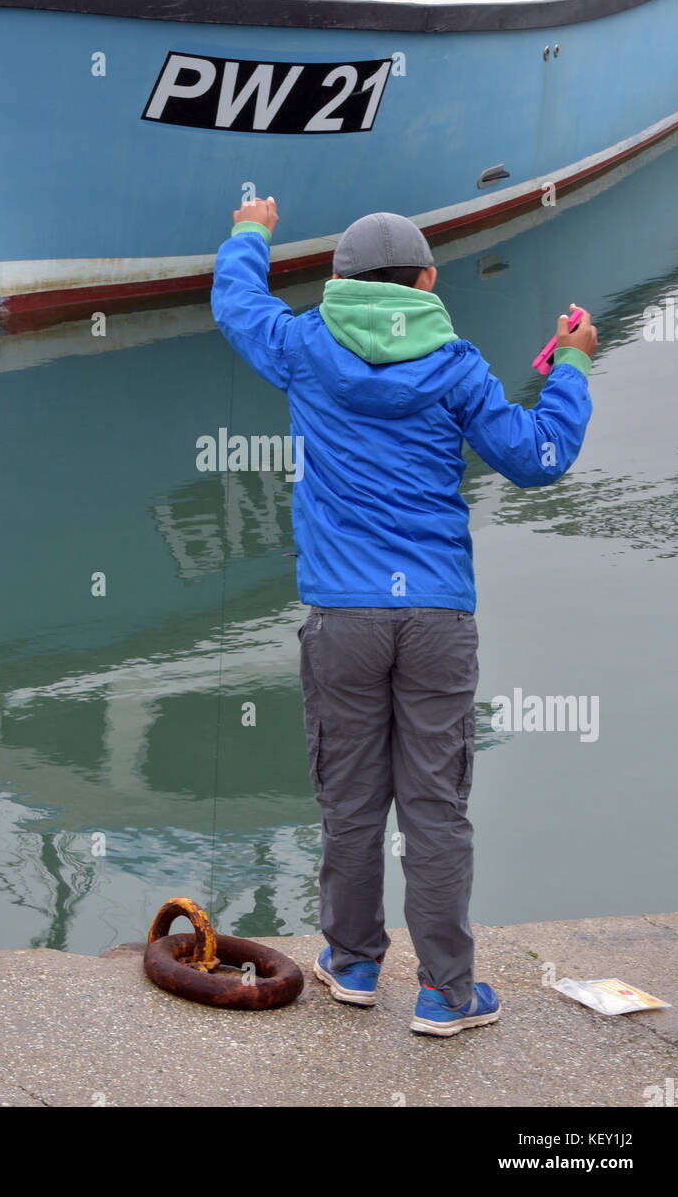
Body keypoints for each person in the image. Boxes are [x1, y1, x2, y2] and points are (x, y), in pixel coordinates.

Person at [210, 195, 596, 1036]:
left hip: (342, 618)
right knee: (435, 807)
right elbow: (538, 457)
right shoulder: (457, 367)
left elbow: (237, 305)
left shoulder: (305, 346)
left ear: (339, 282)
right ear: (426, 282)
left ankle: (350, 963)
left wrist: (251, 233)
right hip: (437, 619)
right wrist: (570, 366)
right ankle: (447, 995)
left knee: (349, 801)